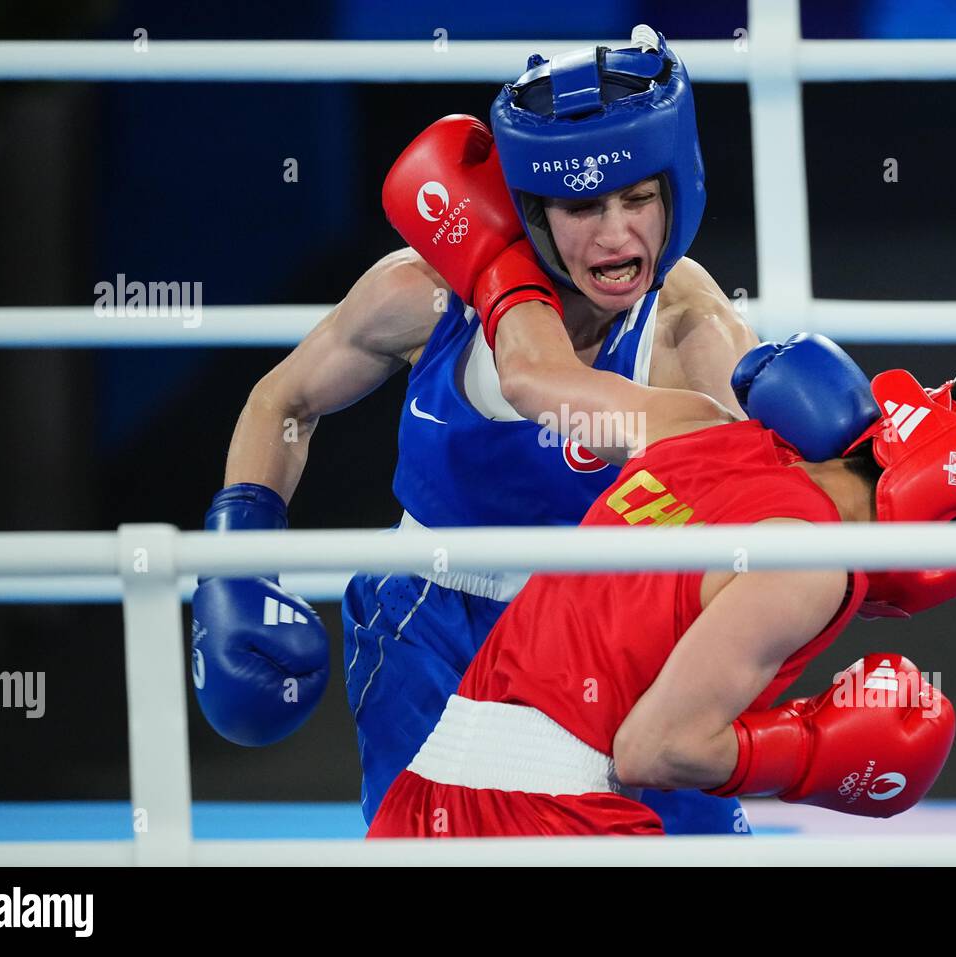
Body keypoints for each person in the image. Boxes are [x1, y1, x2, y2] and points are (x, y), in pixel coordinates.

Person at [189, 26, 760, 834]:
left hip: (615, 640)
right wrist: (235, 563)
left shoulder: (689, 327)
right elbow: (282, 400)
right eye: (582, 206)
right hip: (430, 628)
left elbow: (767, 511)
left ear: (676, 192)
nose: (614, 235)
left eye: (637, 199)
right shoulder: (426, 293)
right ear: (534, 209)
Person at [366, 333, 956, 836]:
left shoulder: (698, 427)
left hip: (425, 796)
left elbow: (537, 378)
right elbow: (658, 748)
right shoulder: (812, 565)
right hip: (552, 818)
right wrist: (808, 751)